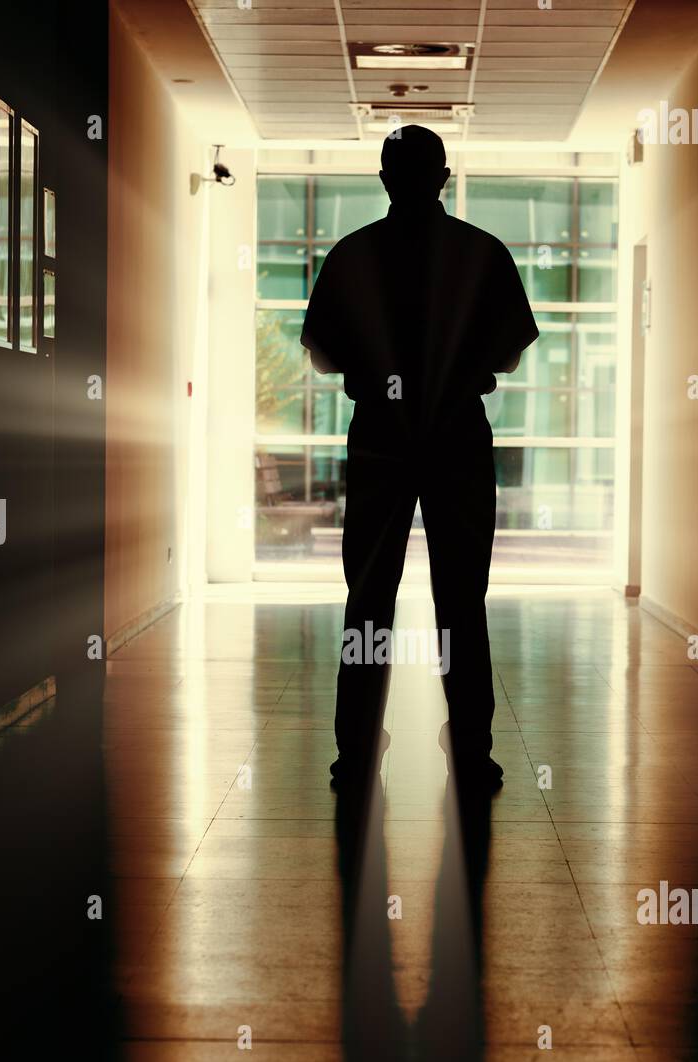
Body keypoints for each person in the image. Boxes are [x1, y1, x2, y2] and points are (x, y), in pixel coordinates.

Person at [300, 125, 538, 790]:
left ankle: (356, 748)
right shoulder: (480, 254)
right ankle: (469, 746)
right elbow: (511, 351)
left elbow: (321, 351)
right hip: (457, 433)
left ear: (384, 178)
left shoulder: (354, 255)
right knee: (462, 594)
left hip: (379, 433)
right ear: (443, 176)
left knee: (368, 594)